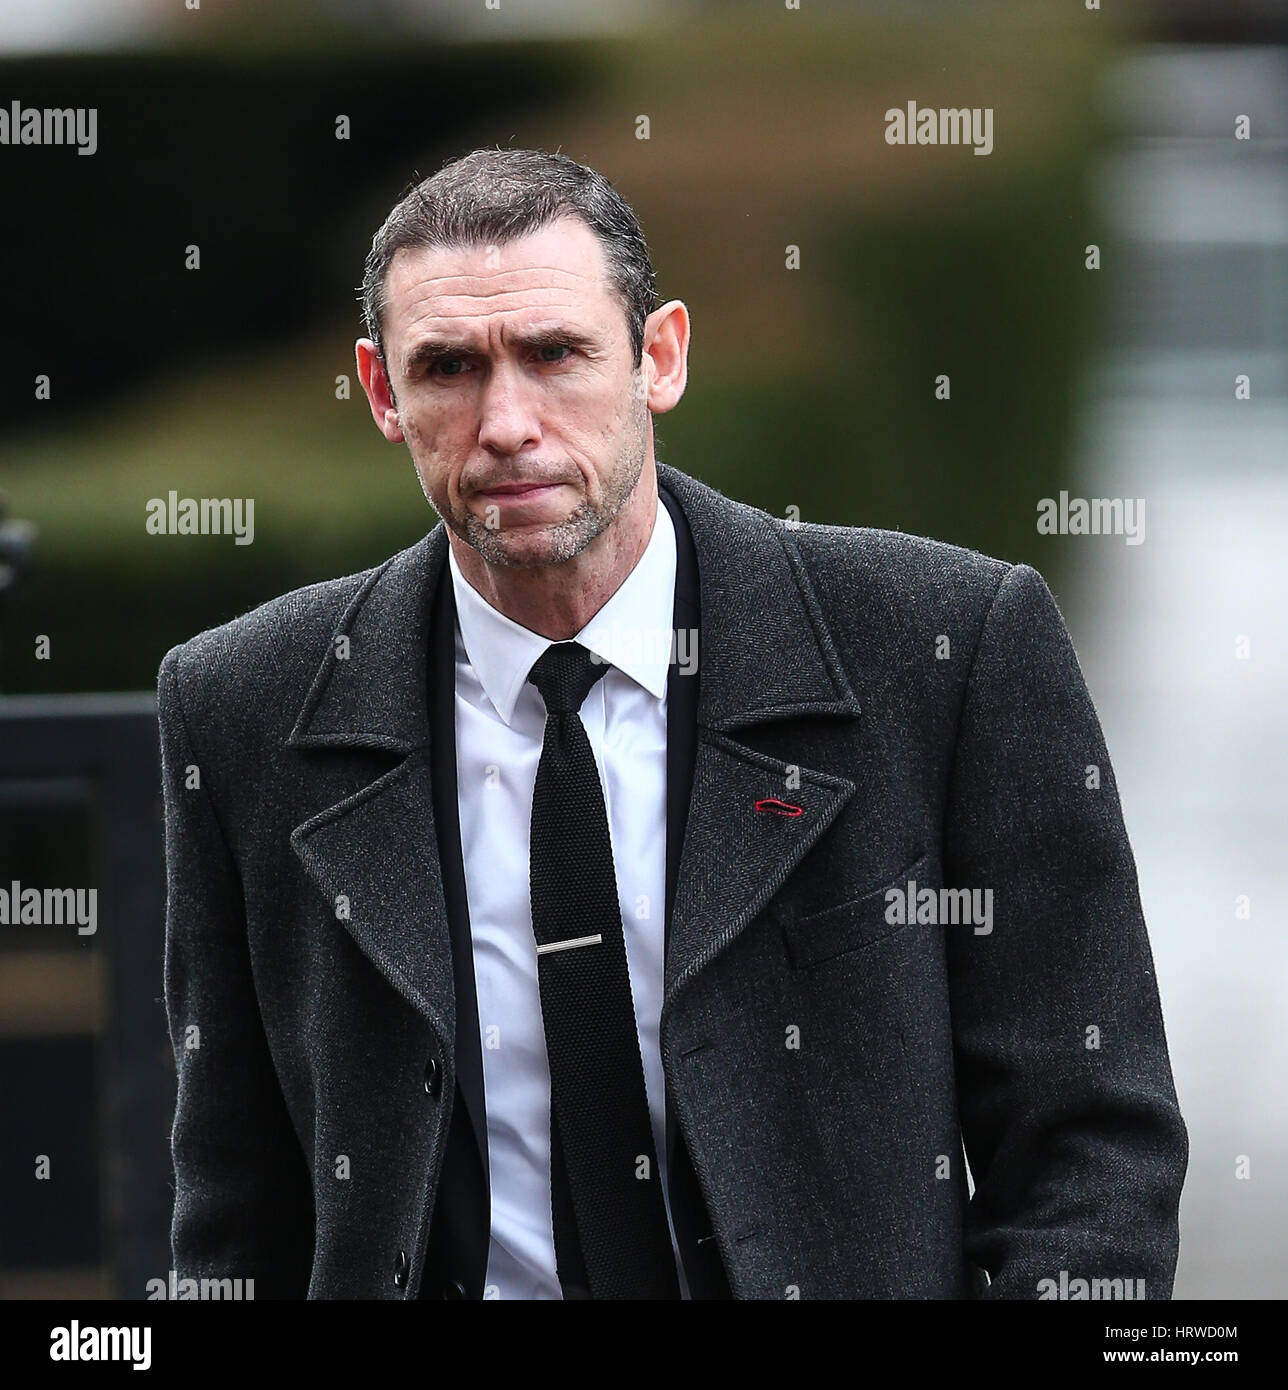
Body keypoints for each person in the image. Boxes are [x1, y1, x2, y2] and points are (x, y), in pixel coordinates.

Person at [158, 146, 1187, 1300]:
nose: (506, 422)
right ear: (383, 392)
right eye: (447, 367)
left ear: (659, 357)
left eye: (555, 353)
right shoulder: (242, 704)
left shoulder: (942, 647)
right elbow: (231, 1205)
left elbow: (1092, 1147)